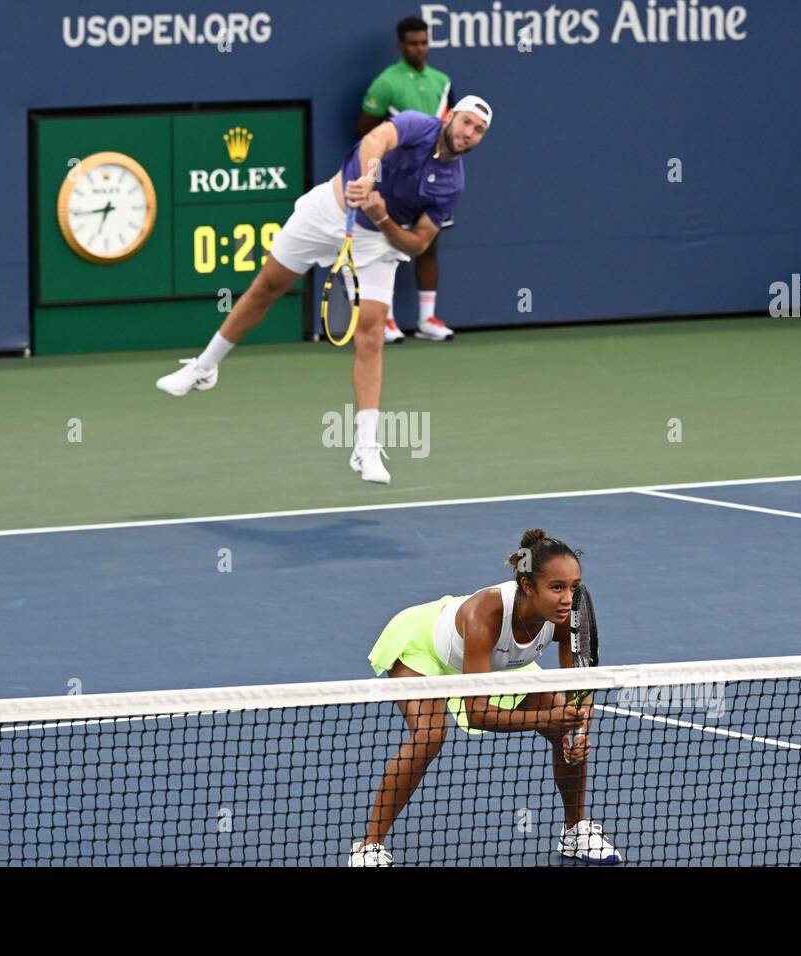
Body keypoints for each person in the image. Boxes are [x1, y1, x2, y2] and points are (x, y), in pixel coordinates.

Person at [156, 96, 491, 485]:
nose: (469, 133)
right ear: (451, 118)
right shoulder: (419, 124)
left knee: (371, 336)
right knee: (267, 286)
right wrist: (367, 177)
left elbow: (417, 244)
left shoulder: (452, 184)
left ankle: (366, 447)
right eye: (466, 122)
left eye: (479, 131)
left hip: (377, 244)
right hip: (329, 211)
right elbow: (377, 139)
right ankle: (204, 367)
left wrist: (381, 217)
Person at [351, 529, 622, 866]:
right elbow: (478, 713)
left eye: (573, 586)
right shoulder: (486, 614)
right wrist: (549, 719)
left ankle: (575, 832)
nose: (568, 597)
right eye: (556, 588)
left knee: (564, 729)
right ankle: (369, 845)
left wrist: (577, 730)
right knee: (429, 736)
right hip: (425, 651)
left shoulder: (567, 617)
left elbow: (577, 688)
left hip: (496, 663)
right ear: (528, 587)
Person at [357, 15, 457, 344]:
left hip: (431, 180)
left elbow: (453, 131)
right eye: (413, 43)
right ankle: (385, 320)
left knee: (428, 244)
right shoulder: (386, 83)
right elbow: (366, 130)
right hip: (395, 178)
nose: (420, 48)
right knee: (386, 246)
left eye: (424, 42)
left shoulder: (443, 81)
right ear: (401, 46)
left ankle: (426, 319)